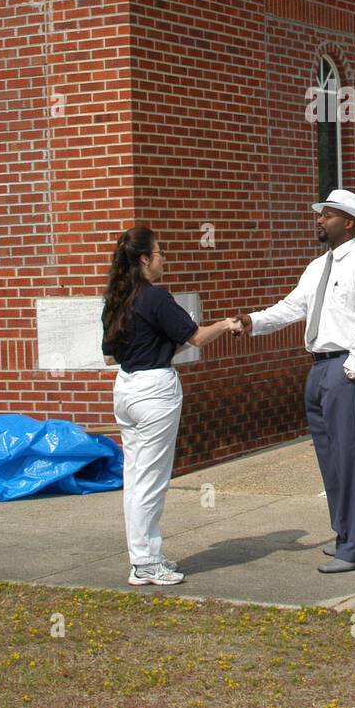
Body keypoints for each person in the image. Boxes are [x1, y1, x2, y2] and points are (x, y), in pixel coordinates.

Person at [236, 189, 355, 573]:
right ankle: (344, 533)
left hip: (344, 370)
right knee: (329, 457)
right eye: (321, 214)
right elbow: (294, 306)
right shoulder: (318, 267)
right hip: (318, 368)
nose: (320, 220)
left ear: (349, 222)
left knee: (350, 458)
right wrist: (254, 321)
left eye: (328, 215)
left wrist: (353, 368)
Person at [101, 225, 242, 586]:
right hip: (154, 392)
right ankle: (146, 563)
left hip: (126, 389)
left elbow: (109, 357)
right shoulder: (156, 297)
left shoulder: (117, 299)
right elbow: (195, 337)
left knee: (136, 479)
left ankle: (145, 555)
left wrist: (163, 345)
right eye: (160, 253)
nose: (164, 259)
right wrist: (226, 324)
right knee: (151, 481)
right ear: (145, 259)